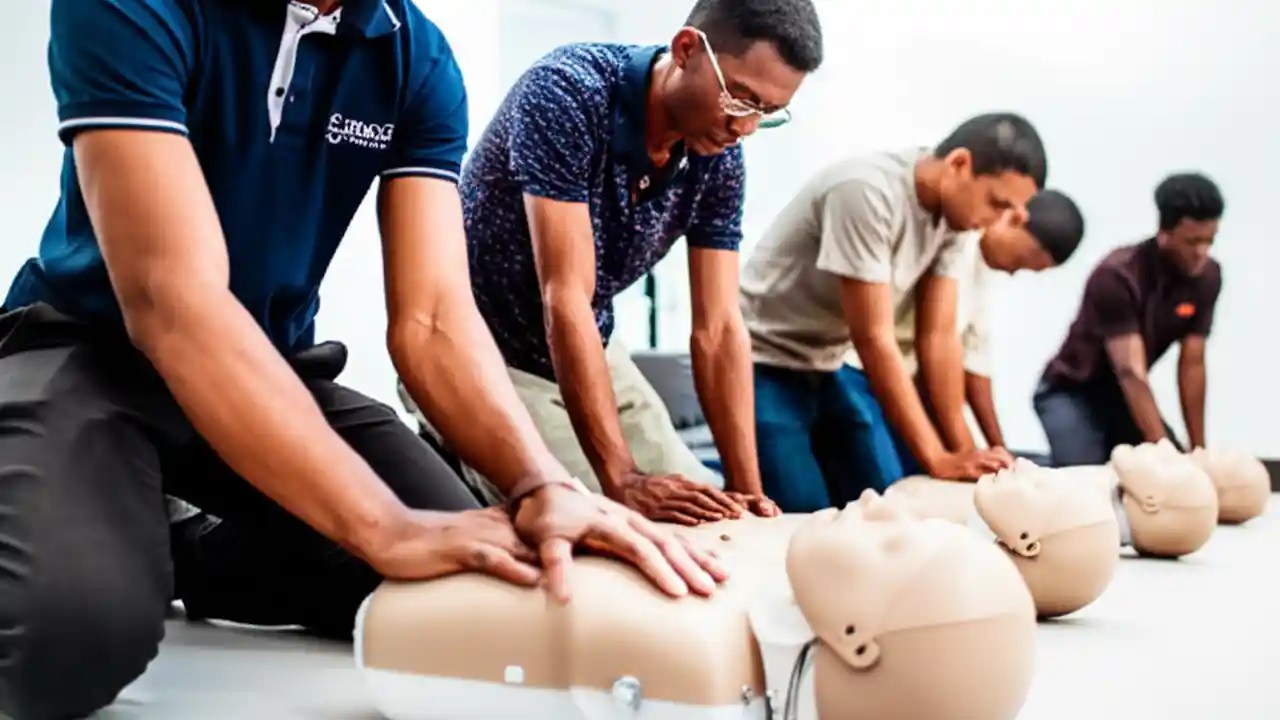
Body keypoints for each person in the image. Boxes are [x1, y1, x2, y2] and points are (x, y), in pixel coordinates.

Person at [0, 2, 724, 718]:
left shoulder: (415, 56)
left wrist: (541, 484)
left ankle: (180, 550)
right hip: (93, 353)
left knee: (478, 576)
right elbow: (172, 302)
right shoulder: (134, 8)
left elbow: (432, 320)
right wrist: (385, 527)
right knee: (66, 639)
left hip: (275, 367)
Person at [401, 0, 825, 525]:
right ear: (686, 49)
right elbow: (565, 296)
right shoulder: (567, 93)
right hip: (482, 351)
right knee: (604, 523)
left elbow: (718, 329)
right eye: (740, 98)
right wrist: (621, 479)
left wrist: (748, 491)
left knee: (716, 517)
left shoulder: (718, 156)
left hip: (592, 348)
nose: (746, 126)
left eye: (767, 111)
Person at [741, 113, 1049, 513]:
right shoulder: (866, 191)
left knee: (886, 499)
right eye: (997, 203)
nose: (995, 222)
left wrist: (965, 454)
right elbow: (873, 337)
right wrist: (936, 457)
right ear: (959, 164)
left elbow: (938, 338)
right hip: (760, 361)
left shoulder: (956, 219)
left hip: (826, 364)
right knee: (802, 510)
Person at [1034, 173, 1225, 466]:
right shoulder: (1118, 275)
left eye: (1209, 241)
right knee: (1087, 475)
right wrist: (1165, 455)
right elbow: (1131, 372)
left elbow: (1192, 364)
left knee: (1165, 470)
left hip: (1122, 399)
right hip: (1071, 391)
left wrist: (1200, 454)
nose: (1201, 252)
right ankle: (1021, 467)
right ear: (1165, 233)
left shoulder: (1207, 277)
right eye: (1192, 242)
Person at [885, 190, 1086, 453]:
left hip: (914, 390)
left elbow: (976, 368)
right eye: (1020, 262)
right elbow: (939, 346)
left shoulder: (985, 274)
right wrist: (965, 448)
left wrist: (998, 447)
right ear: (1013, 219)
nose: (1013, 273)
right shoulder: (957, 243)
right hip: (879, 374)